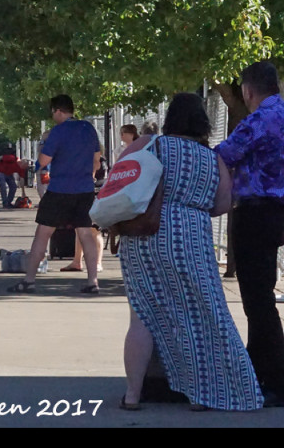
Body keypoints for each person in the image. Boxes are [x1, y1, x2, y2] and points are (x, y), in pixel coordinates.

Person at [118, 92, 262, 411]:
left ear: (170, 118)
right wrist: (190, 206)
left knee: (141, 316)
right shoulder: (212, 158)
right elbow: (223, 204)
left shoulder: (147, 144)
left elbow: (122, 180)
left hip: (143, 233)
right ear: (203, 121)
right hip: (191, 238)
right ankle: (199, 396)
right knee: (194, 317)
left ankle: (131, 395)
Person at [215, 61, 284, 406]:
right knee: (264, 298)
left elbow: (222, 156)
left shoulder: (257, 120)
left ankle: (270, 378)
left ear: (247, 91)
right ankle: (262, 369)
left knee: (258, 301)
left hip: (258, 212)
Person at [8, 94, 101, 294]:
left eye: (53, 113)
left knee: (43, 234)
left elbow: (43, 161)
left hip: (60, 190)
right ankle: (93, 281)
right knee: (86, 234)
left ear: (58, 111)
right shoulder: (89, 129)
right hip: (84, 190)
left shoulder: (57, 132)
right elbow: (96, 162)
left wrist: (43, 146)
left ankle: (29, 280)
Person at [0, 143, 19, 208]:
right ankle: (6, 202)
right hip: (0, 171)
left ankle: (7, 202)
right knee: (6, 186)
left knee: (8, 186)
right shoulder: (10, 157)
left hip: (6, 172)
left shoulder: (11, 158)